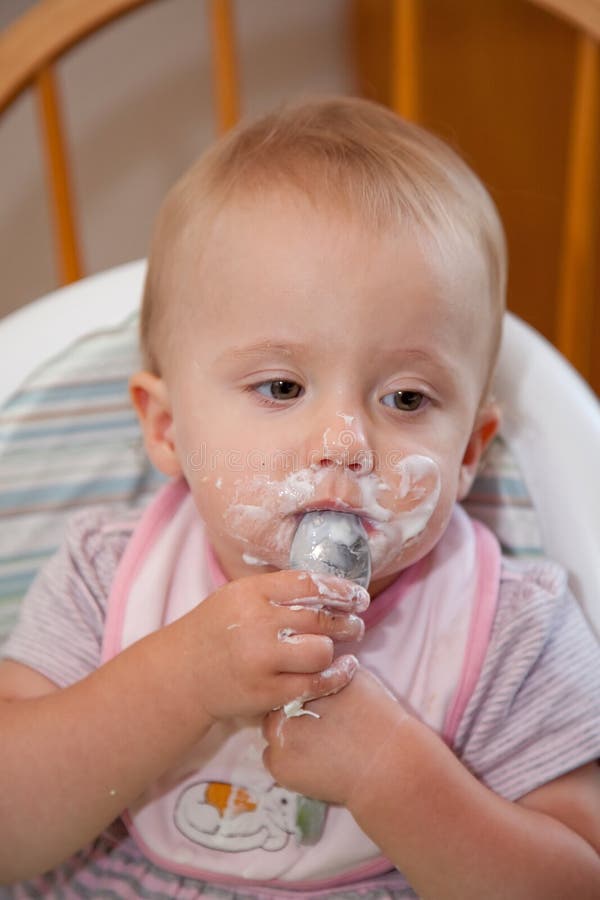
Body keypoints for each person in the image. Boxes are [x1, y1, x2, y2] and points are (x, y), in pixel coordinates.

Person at [1, 97, 599, 900]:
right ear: (169, 427)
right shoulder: (105, 576)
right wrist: (178, 682)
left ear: (469, 455)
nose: (346, 442)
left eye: (409, 399)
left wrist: (393, 774)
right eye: (282, 386)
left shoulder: (514, 630)